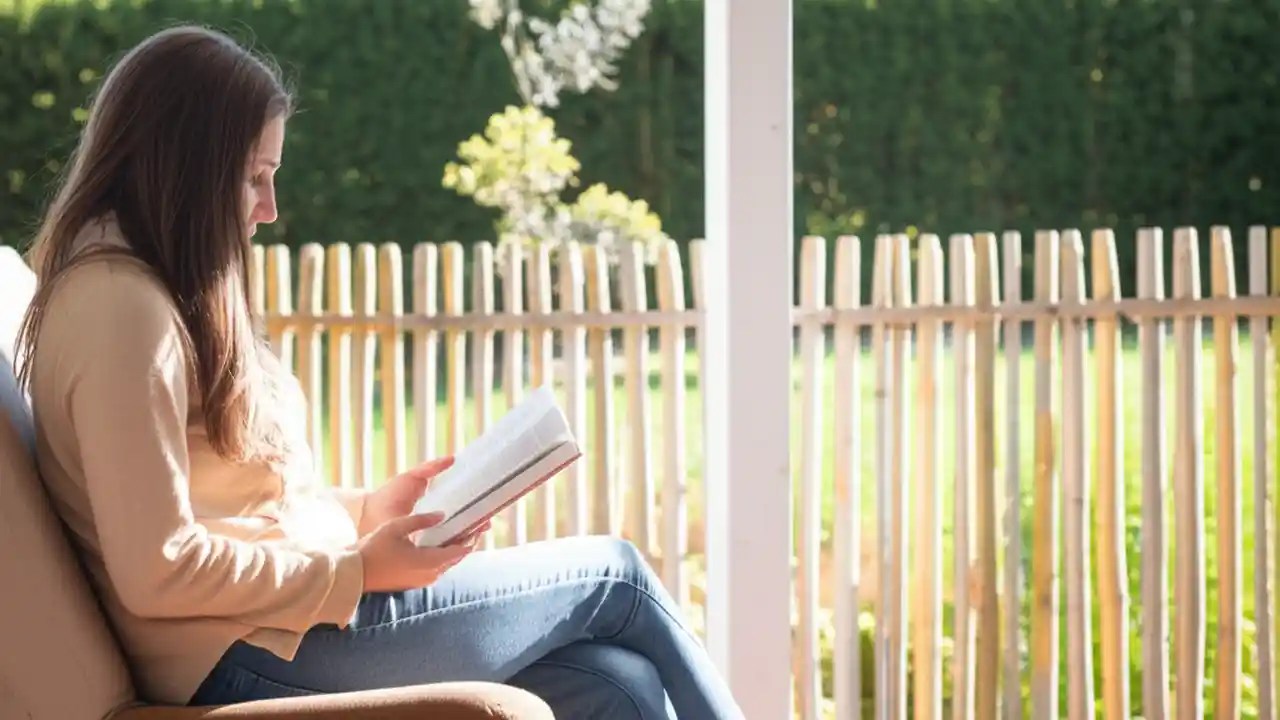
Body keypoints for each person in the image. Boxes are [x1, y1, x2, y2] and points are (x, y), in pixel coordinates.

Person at [15, 25, 743, 720]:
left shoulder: (152, 291)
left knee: (615, 685)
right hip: (246, 650)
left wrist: (365, 510)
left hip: (273, 629)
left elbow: (227, 498)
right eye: (254, 178)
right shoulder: (119, 310)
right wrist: (357, 572)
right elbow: (159, 566)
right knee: (616, 575)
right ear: (185, 169)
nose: (269, 208)